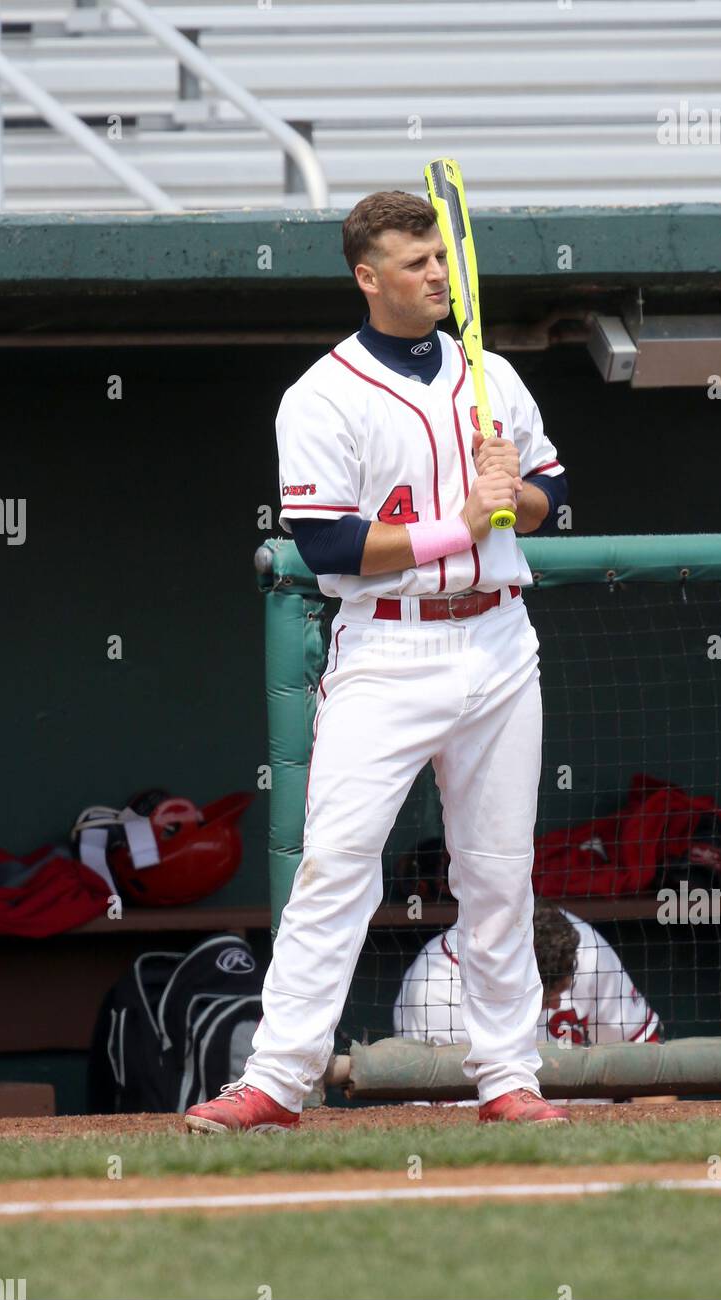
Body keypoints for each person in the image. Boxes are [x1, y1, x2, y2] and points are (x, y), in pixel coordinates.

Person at [185, 189, 568, 1134]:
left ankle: (508, 1075)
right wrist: (463, 522)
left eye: (443, 258)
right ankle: (276, 1080)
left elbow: (555, 493)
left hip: (498, 639)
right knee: (338, 862)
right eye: (417, 261)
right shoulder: (321, 395)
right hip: (388, 646)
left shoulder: (493, 376)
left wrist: (512, 492)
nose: (439, 274)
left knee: (497, 869)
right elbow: (326, 545)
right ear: (369, 277)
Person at [394, 898, 660, 1050]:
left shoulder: (586, 948)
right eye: (548, 997)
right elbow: (445, 1126)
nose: (556, 1004)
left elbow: (645, 1054)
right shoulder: (437, 988)